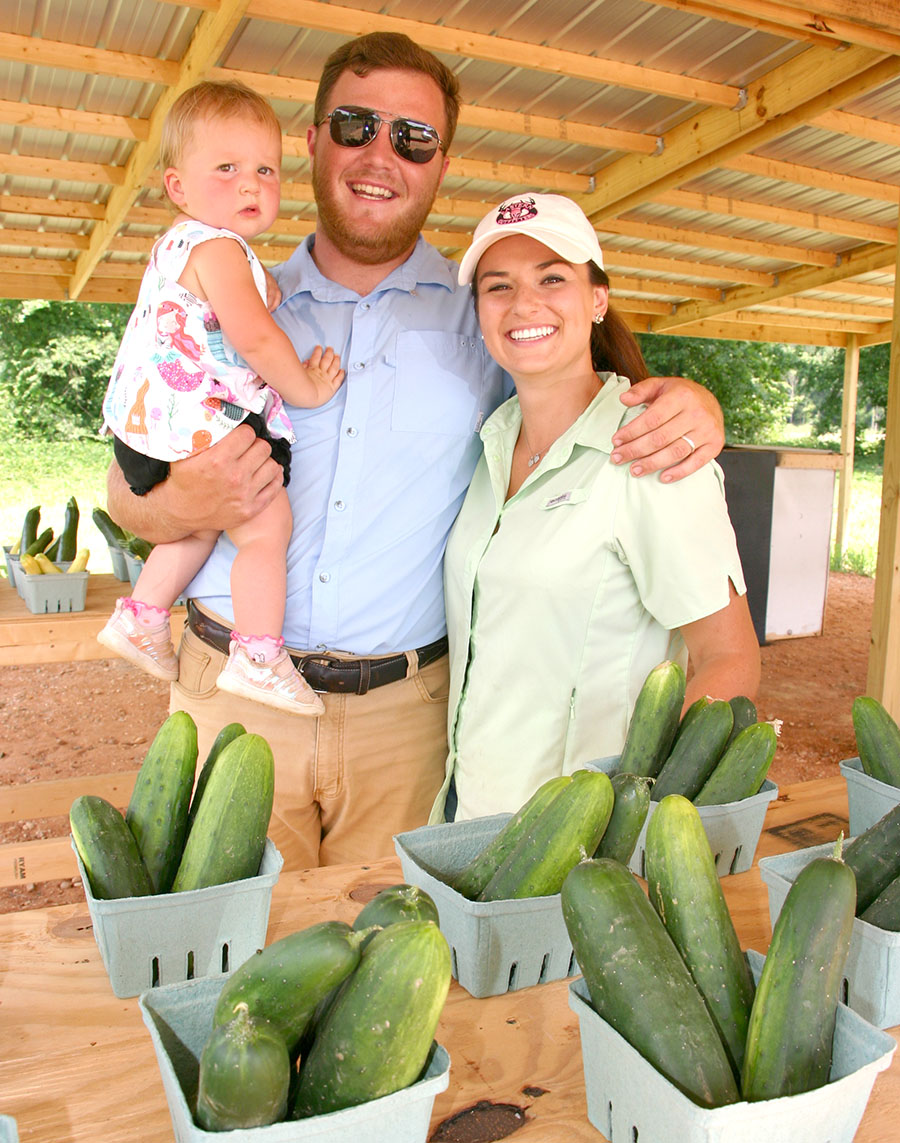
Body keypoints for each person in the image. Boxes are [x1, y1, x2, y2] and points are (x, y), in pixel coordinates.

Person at [106, 33, 727, 868]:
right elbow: (124, 486)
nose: (380, 155)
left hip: (408, 720)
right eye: (356, 125)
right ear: (315, 139)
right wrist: (185, 504)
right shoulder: (228, 295)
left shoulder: (486, 318)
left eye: (413, 138)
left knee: (393, 963)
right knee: (224, 964)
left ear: (440, 162)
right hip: (228, 696)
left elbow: (577, 399)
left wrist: (694, 404)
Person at [430, 193, 760, 822]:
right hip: (468, 820)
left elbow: (731, 662)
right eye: (499, 287)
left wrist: (638, 811)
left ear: (598, 299)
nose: (524, 304)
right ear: (479, 313)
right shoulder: (488, 446)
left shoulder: (652, 452)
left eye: (552, 278)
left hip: (578, 845)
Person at [98, 80, 344, 717]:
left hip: (145, 426)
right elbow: (257, 340)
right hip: (192, 422)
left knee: (201, 521)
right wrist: (306, 386)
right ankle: (259, 656)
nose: (250, 185)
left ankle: (144, 615)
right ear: (178, 186)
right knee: (267, 524)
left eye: (266, 169)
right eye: (227, 168)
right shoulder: (219, 248)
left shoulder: (178, 247)